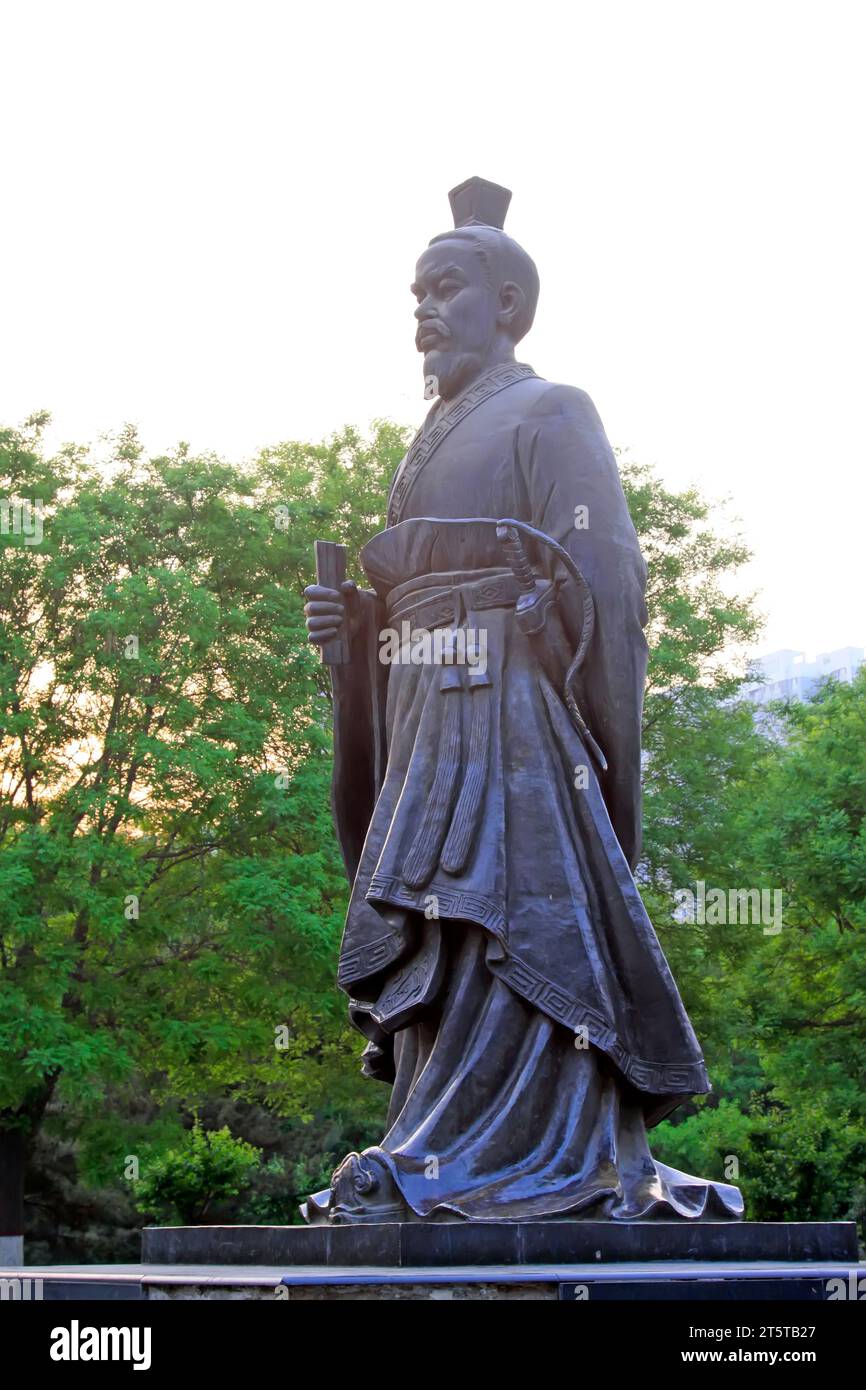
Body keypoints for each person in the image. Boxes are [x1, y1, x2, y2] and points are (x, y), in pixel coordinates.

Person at [302, 177, 742, 1223]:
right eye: (414, 290)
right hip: (422, 719)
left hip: (506, 719)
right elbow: (407, 597)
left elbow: (609, 584)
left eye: (445, 286)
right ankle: (433, 1138)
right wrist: (355, 638)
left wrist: (590, 735)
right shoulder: (422, 448)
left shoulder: (551, 412)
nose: (423, 310)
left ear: (508, 304)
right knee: (438, 931)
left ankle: (527, 1151)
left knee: (507, 925)